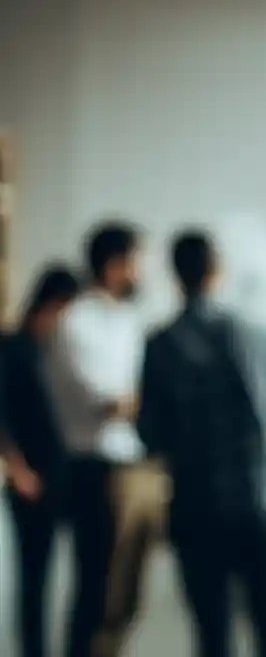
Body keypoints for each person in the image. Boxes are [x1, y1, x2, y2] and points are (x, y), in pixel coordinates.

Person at [136, 230, 266, 657]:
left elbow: (150, 437)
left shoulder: (160, 344)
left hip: (195, 506)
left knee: (212, 636)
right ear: (218, 270)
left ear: (176, 275)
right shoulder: (262, 338)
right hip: (259, 500)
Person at [43, 222, 149, 657]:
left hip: (133, 465)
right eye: (138, 263)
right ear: (115, 265)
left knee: (128, 593)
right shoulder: (76, 323)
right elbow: (108, 401)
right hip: (94, 470)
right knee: (96, 587)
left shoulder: (128, 321)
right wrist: (145, 399)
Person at [1, 266, 82, 657]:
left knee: (65, 574)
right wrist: (17, 470)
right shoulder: (14, 347)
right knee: (34, 578)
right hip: (30, 476)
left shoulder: (57, 353)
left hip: (64, 472)